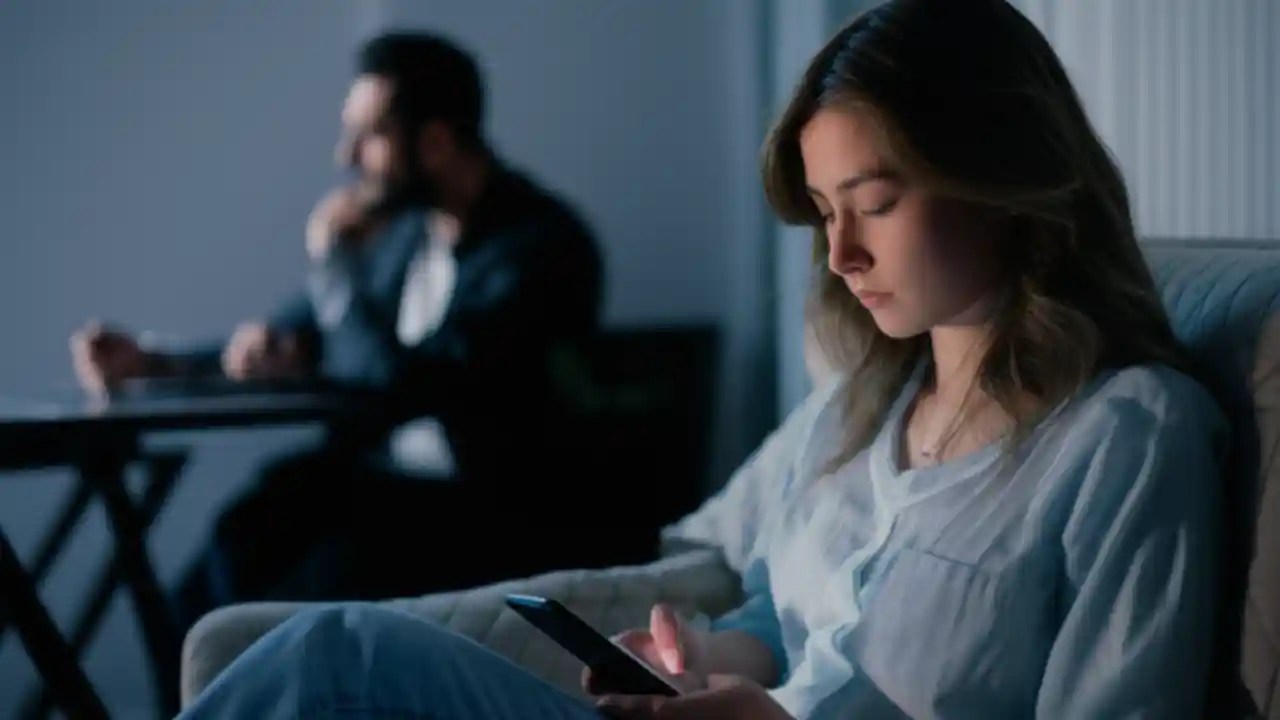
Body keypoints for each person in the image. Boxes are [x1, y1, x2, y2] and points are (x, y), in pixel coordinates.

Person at [175, 1, 1228, 717]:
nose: (841, 253)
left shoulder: (1129, 433)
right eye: (822, 213)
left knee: (338, 661)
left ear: (1004, 177)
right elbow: (779, 614)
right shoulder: (860, 404)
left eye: (873, 203)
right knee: (321, 647)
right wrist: (711, 657)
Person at [69, 32, 604, 637]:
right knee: (230, 552)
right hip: (373, 486)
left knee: (290, 585)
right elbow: (307, 331)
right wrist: (157, 364)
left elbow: (405, 384)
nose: (346, 156)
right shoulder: (406, 236)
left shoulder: (542, 249)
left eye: (369, 135)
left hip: (484, 511)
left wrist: (335, 267)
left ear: (435, 141)